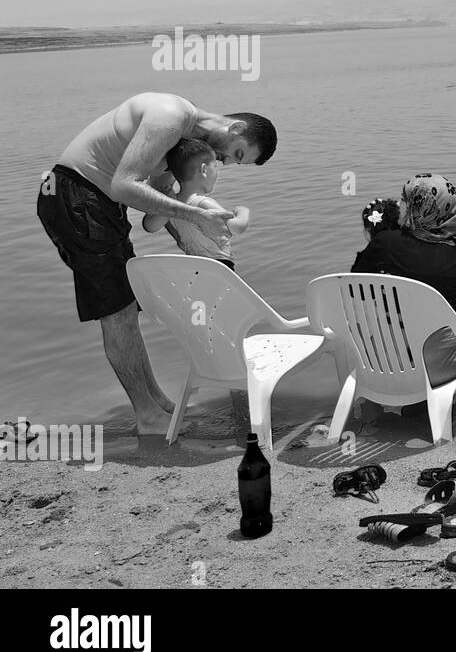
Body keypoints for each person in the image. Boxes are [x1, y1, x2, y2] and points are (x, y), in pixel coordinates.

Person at [36, 92, 276, 436]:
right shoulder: (170, 116)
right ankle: (147, 416)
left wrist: (187, 233)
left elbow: (152, 199)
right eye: (237, 153)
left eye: (236, 163)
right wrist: (196, 213)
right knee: (116, 311)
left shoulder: (181, 145)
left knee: (127, 304)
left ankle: (158, 403)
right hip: (76, 198)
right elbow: (123, 184)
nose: (226, 162)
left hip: (96, 205)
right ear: (235, 127)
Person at [351, 174, 456, 390]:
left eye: (406, 202)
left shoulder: (384, 243)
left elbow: (358, 288)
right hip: (443, 366)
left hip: (391, 361)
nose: (402, 207)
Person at [142, 139, 250, 271]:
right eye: (215, 166)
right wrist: (243, 211)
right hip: (220, 267)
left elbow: (150, 226)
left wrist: (164, 201)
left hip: (194, 268)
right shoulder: (204, 203)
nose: (217, 171)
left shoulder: (172, 206)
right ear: (204, 170)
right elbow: (237, 228)